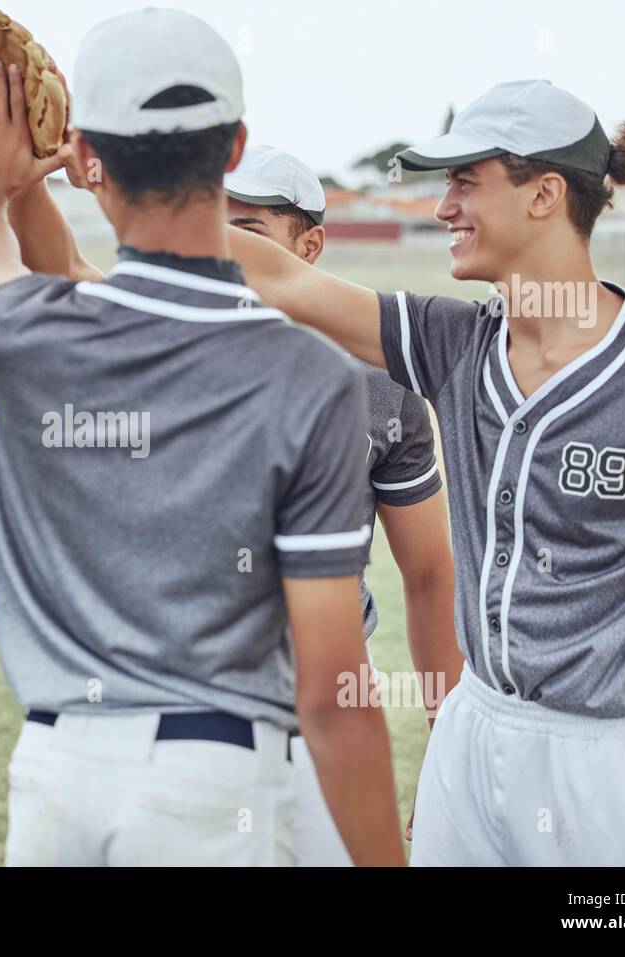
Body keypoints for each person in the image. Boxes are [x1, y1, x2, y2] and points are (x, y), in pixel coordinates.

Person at [229, 79, 625, 866]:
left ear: (544, 193)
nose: (443, 208)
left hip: (611, 764)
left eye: (467, 181)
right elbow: (283, 280)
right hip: (471, 735)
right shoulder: (453, 341)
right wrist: (120, 171)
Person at [0, 8, 404, 866]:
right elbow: (334, 694)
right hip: (212, 782)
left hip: (52, 770)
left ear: (89, 158)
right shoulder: (315, 379)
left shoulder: (25, 329)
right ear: (234, 149)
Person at [224, 145, 464, 864]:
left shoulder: (379, 383)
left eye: (249, 232)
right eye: (212, 227)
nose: (223, 251)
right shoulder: (159, 359)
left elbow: (428, 576)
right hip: (189, 723)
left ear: (311, 244)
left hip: (328, 726)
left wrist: (444, 749)